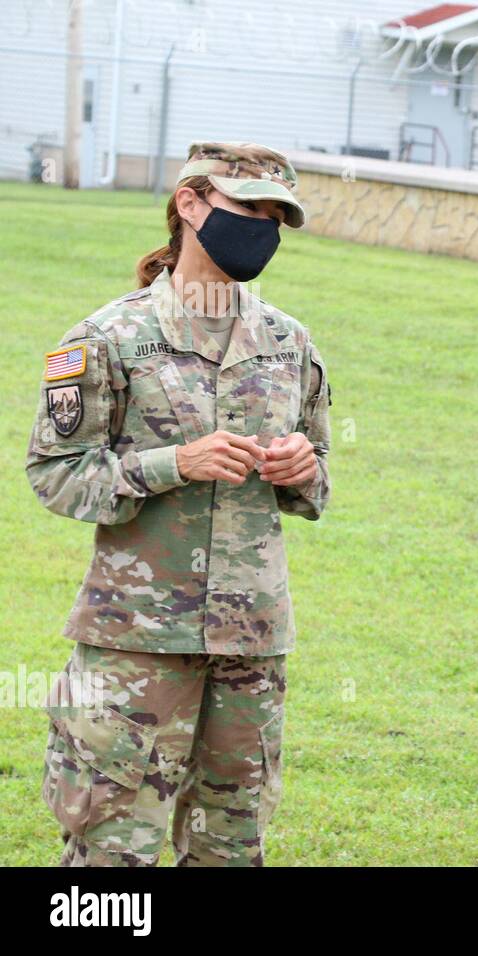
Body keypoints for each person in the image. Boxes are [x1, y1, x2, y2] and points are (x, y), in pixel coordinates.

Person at [28, 141, 331, 867]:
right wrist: (174, 463)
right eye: (246, 209)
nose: (262, 227)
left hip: (251, 642)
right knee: (111, 849)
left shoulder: (289, 344)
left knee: (232, 846)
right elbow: (56, 473)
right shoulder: (106, 339)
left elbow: (319, 480)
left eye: (275, 217)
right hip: (137, 642)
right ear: (190, 204)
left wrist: (301, 466)